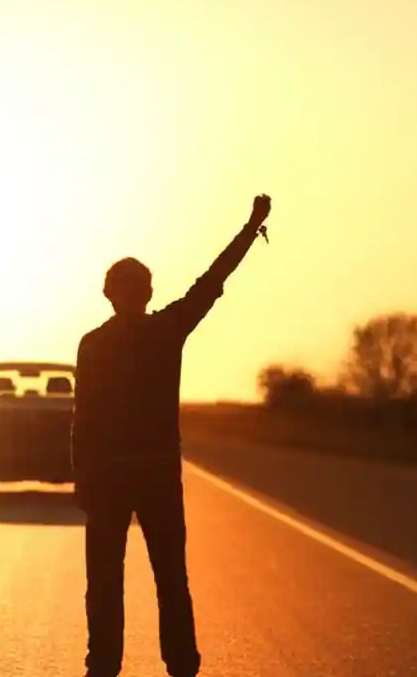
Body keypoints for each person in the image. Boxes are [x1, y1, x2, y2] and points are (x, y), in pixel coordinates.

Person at [71, 194, 272, 676]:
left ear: (108, 294)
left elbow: (84, 419)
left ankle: (104, 666)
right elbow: (213, 279)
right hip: (156, 474)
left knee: (106, 580)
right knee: (169, 580)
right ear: (147, 292)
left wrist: (82, 480)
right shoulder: (166, 329)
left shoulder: (95, 344)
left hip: (113, 478)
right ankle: (179, 665)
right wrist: (251, 227)